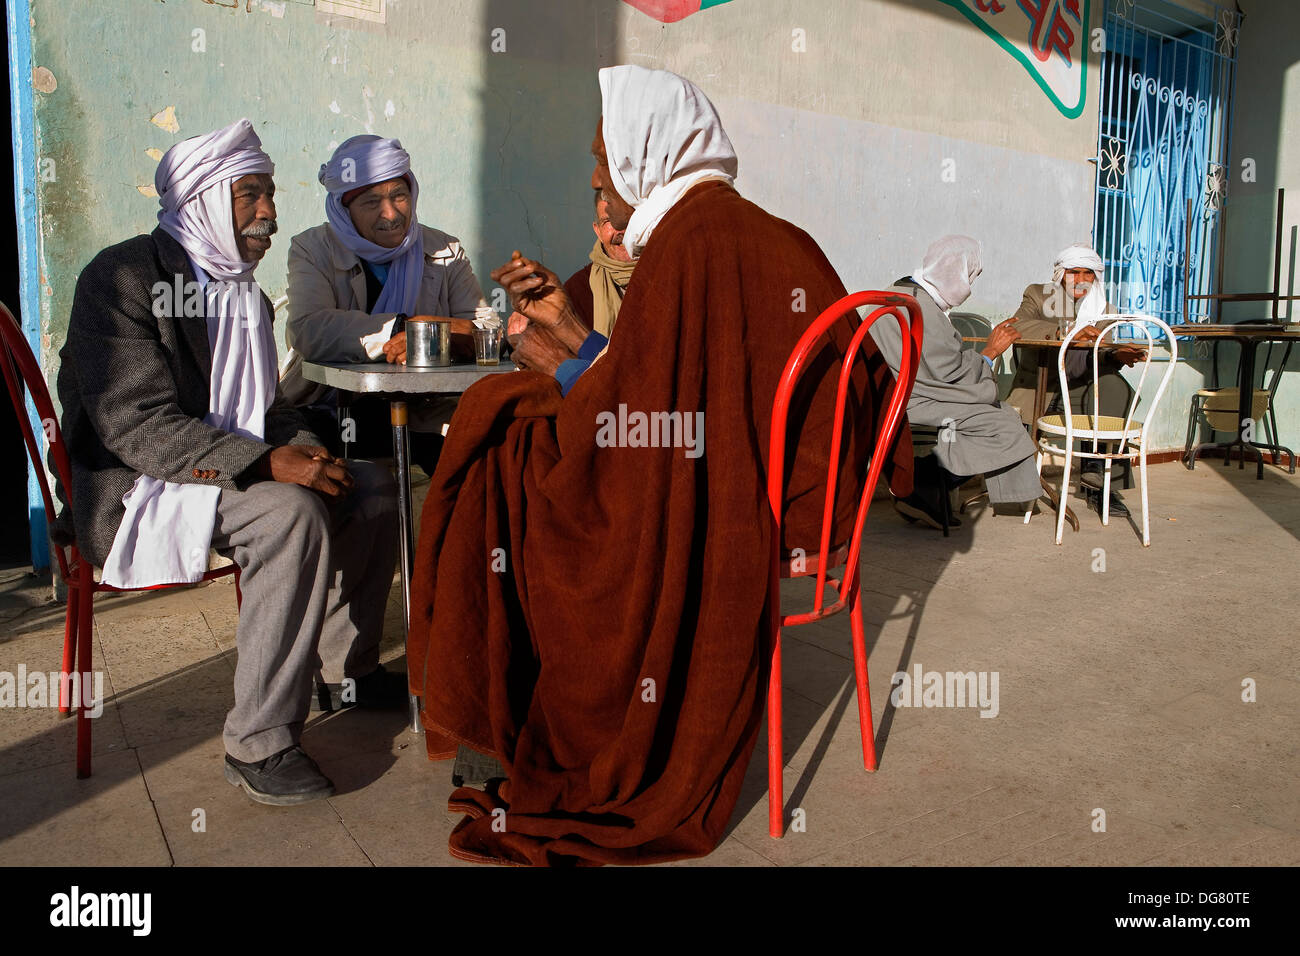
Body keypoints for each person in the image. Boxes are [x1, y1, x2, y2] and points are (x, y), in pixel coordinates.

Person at [407, 65, 912, 866]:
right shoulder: (766, 231)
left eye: (606, 164)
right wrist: (576, 349)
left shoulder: (691, 245)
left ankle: (501, 729)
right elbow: (683, 397)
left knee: (500, 456)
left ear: (648, 155)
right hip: (813, 493)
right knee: (514, 434)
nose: (602, 187)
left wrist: (563, 374)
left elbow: (642, 437)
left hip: (761, 509)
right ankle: (500, 717)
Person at [54, 120, 403, 807]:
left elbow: (263, 408)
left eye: (269, 195)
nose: (268, 213)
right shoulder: (121, 277)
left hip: (209, 472)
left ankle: (344, 670)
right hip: (135, 486)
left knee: (372, 485)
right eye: (250, 195)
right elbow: (137, 424)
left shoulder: (238, 287)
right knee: (289, 513)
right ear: (204, 198)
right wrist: (268, 462)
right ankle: (260, 742)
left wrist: (303, 446)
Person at [280, 135, 488, 474]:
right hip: (329, 406)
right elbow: (309, 330)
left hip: (420, 406)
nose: (390, 214)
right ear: (343, 209)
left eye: (399, 196)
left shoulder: (445, 249)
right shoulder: (312, 249)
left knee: (481, 448)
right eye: (371, 201)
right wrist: (404, 329)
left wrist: (447, 334)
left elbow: (485, 332)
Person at [869, 236, 1040, 528]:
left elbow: (938, 368)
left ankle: (924, 482)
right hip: (909, 402)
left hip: (896, 395)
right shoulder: (921, 308)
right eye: (971, 276)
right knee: (1005, 424)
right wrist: (990, 352)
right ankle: (921, 482)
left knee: (998, 415)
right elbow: (951, 373)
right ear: (959, 274)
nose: (971, 286)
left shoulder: (899, 291)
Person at [1000, 244, 1146, 516]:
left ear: (1096, 276)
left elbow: (1099, 357)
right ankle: (1024, 486)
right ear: (1061, 273)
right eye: (1074, 272)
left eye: (1087, 273)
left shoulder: (1105, 307)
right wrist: (1065, 332)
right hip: (1042, 385)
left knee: (1116, 388)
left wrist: (1116, 355)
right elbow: (1017, 326)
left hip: (1080, 388)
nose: (1080, 280)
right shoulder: (1038, 295)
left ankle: (1100, 479)